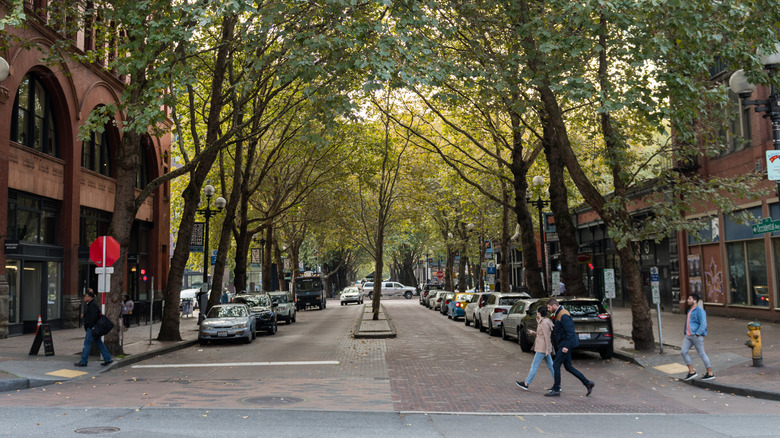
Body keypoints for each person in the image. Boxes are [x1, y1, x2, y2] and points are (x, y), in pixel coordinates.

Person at [545, 297, 595, 397]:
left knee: (556, 365)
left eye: (549, 307)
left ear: (554, 306)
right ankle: (588, 383)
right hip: (564, 344)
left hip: (565, 345)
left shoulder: (563, 315)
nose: (548, 309)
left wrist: (566, 346)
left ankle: (556, 389)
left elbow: (570, 332)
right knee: (568, 367)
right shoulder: (559, 313)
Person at [516, 306, 555, 391]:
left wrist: (548, 349)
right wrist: (534, 333)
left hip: (542, 348)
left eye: (537, 311)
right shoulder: (543, 321)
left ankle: (526, 383)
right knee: (551, 366)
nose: (536, 313)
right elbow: (542, 334)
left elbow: (547, 337)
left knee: (534, 365)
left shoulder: (544, 323)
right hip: (544, 348)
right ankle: (557, 384)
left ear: (539, 313)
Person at [74, 290, 113, 367]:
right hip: (94, 328)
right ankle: (108, 358)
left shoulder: (92, 305)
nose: (84, 298)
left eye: (86, 296)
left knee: (87, 344)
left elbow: (92, 317)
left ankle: (83, 361)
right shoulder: (92, 304)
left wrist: (90, 326)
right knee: (99, 343)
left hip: (92, 328)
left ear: (90, 297)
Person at [681, 293, 714, 381]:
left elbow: (703, 324)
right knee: (683, 352)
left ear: (695, 300)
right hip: (688, 335)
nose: (688, 300)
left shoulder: (700, 311)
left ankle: (710, 373)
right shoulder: (690, 310)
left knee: (702, 354)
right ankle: (691, 372)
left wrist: (697, 334)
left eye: (689, 299)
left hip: (696, 336)